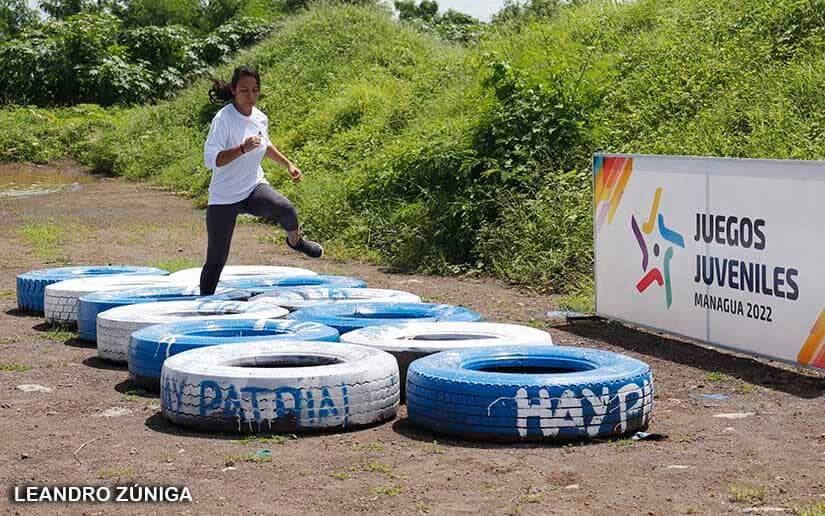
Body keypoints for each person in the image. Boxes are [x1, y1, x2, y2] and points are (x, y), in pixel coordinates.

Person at [199, 65, 322, 296]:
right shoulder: (223, 119)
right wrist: (241, 149)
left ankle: (295, 242)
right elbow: (211, 160)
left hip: (253, 188)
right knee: (216, 260)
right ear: (234, 90)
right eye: (244, 91)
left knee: (285, 208)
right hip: (224, 196)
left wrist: (288, 164)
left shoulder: (259, 118)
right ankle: (203, 305)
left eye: (255, 90)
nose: (250, 96)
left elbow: (265, 145)